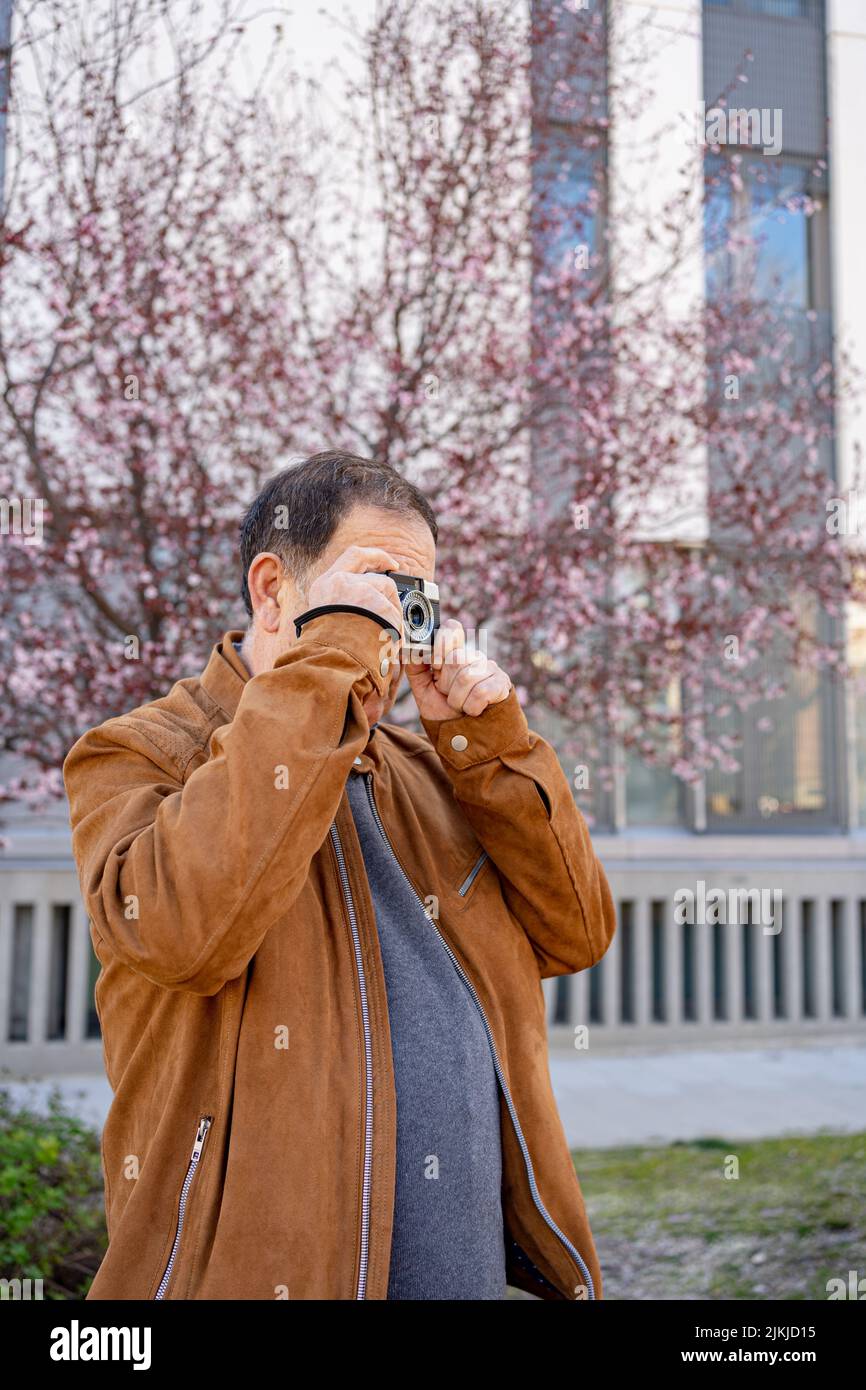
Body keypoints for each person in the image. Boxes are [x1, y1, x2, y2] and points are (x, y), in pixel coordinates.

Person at [63, 449, 617, 1301]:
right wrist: (326, 669)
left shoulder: (437, 770)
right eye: (375, 586)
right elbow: (181, 935)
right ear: (273, 590)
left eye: (414, 595)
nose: (396, 625)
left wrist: (491, 745)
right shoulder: (138, 753)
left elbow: (577, 931)